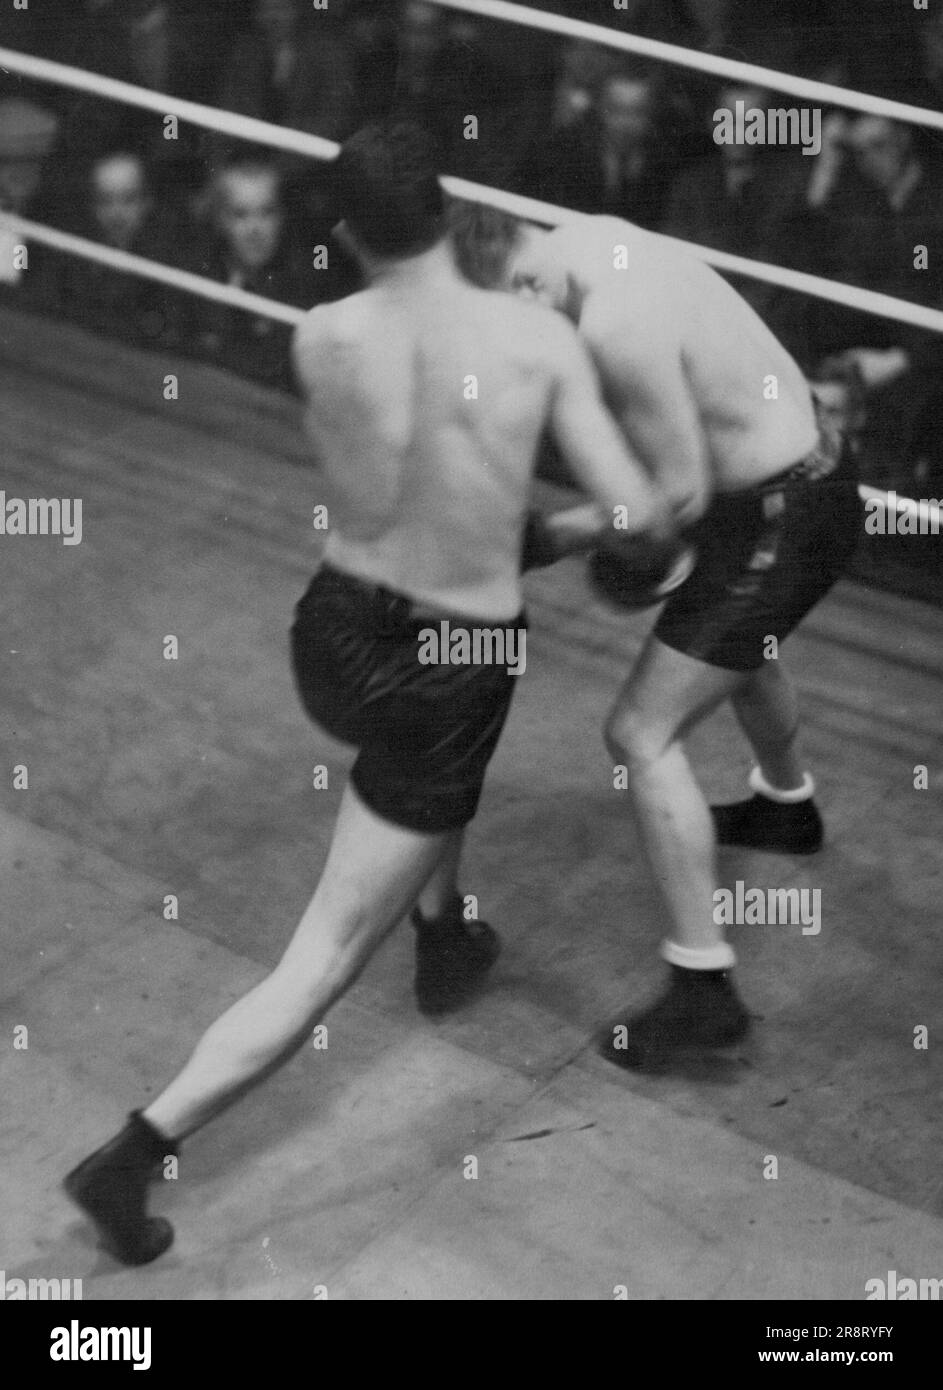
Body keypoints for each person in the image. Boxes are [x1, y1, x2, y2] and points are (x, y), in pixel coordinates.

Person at [64, 123, 678, 1265]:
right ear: (447, 214)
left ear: (345, 235)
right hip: (451, 667)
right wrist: (590, 529)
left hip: (333, 635)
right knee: (325, 951)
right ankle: (132, 1156)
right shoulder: (534, 342)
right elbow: (635, 513)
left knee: (413, 776)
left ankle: (443, 932)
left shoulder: (321, 334)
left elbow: (401, 483)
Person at [453, 209, 863, 1070]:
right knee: (736, 650)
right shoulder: (587, 238)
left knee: (639, 733)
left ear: (524, 283)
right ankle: (785, 806)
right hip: (795, 477)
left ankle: (703, 990)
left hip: (783, 515)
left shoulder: (614, 323)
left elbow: (674, 496)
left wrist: (550, 536)